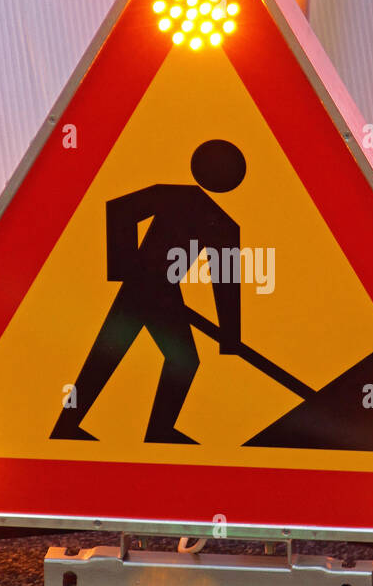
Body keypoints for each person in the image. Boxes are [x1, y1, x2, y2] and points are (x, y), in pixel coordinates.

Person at [51, 139, 246, 444]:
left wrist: (230, 335)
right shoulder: (216, 220)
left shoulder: (211, 217)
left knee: (109, 354)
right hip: (153, 288)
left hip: (158, 289)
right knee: (178, 359)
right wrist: (124, 268)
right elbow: (119, 210)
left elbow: (226, 280)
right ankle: (157, 431)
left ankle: (68, 425)